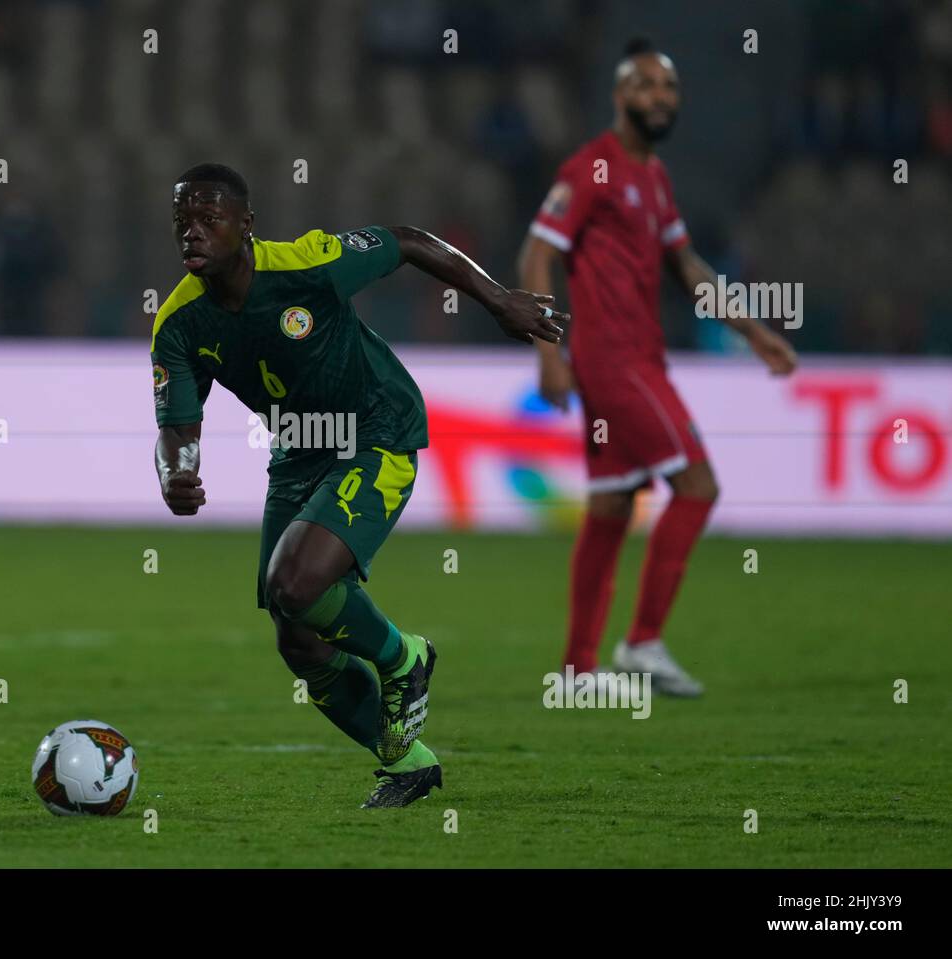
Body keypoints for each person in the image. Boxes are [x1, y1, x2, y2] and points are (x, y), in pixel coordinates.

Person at [152, 163, 566, 806]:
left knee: (293, 583)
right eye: (184, 222)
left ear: (247, 226)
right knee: (298, 637)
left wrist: (499, 299)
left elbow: (403, 241)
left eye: (210, 219)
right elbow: (177, 426)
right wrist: (177, 473)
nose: (194, 233)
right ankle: (409, 764)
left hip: (376, 427)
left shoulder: (305, 265)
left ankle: (404, 658)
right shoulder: (178, 324)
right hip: (298, 451)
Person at [518, 39, 797, 696]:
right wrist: (547, 353)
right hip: (613, 360)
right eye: (645, 85)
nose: (659, 98)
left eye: (668, 88)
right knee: (697, 485)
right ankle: (642, 642)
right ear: (619, 95)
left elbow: (689, 267)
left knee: (613, 503)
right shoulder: (593, 168)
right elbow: (535, 256)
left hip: (641, 356)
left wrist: (755, 333)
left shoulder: (654, 176)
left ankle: (577, 670)